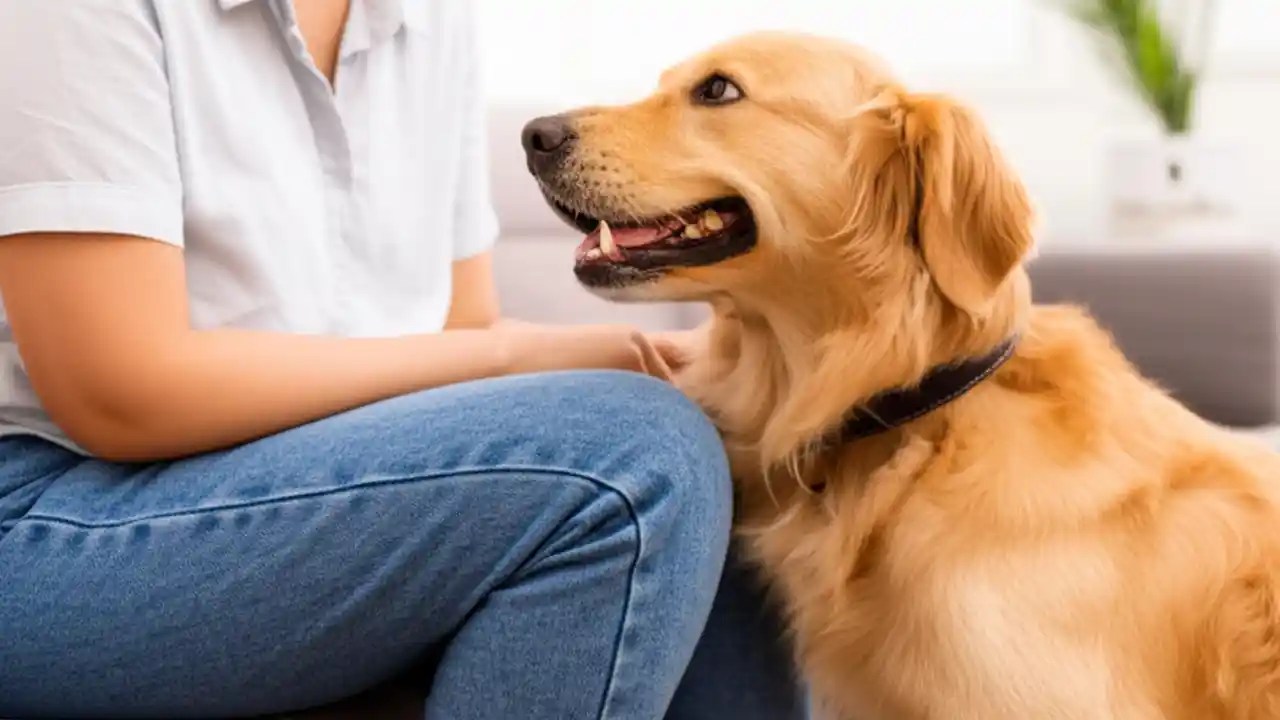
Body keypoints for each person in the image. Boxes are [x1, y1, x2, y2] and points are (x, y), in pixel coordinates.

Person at [0, 1, 806, 718]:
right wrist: (512, 355)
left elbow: (451, 336)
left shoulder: (428, 17)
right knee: (637, 458)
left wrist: (537, 360)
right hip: (50, 516)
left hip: (303, 486)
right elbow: (120, 391)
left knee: (725, 439)